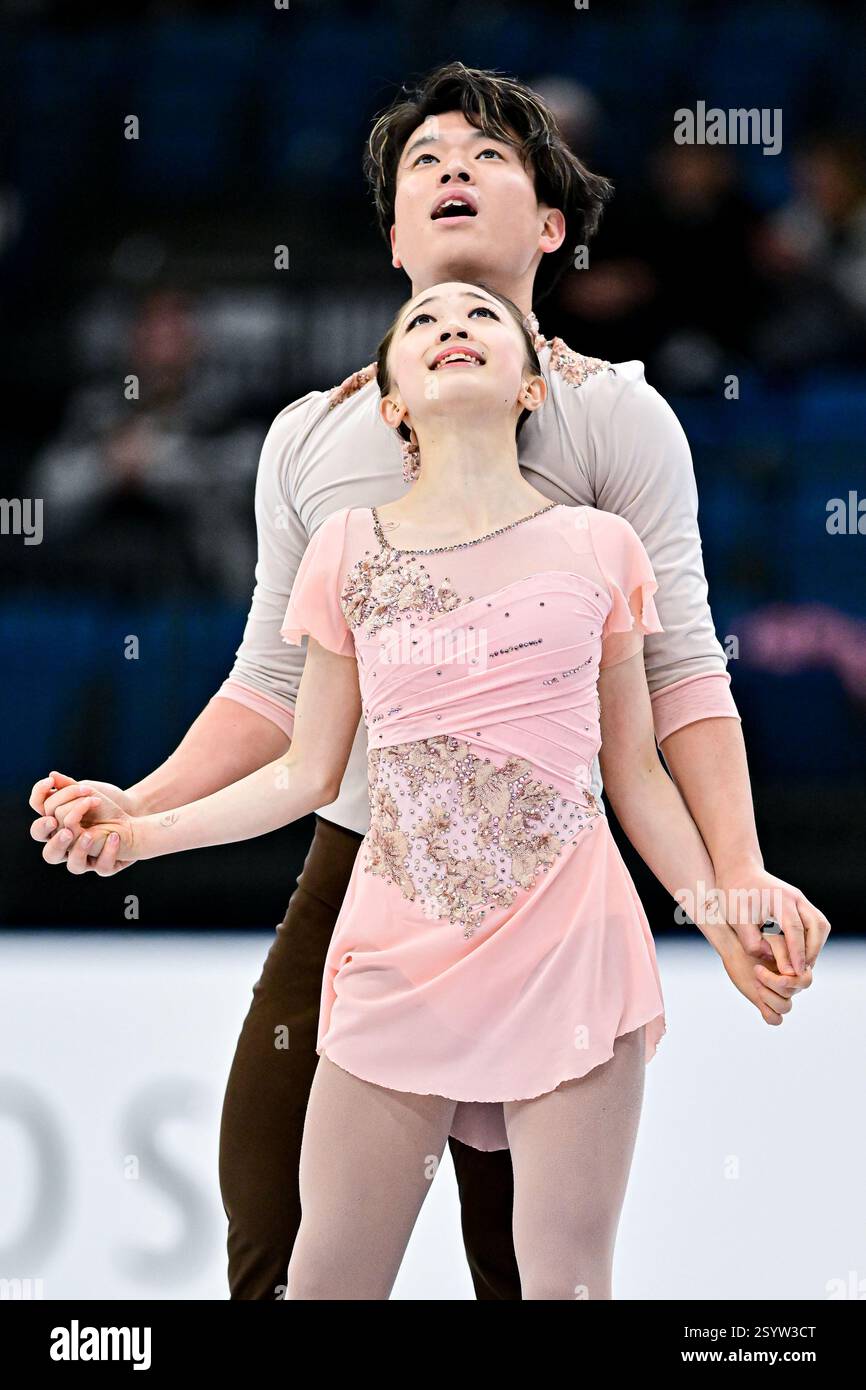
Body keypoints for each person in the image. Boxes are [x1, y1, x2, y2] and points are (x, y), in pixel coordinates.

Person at [29, 64, 827, 1301]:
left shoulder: (617, 419)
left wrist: (730, 884)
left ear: (551, 226)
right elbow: (269, 689)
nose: (453, 168)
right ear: (395, 236)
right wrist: (135, 803)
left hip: (554, 886)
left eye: (492, 156)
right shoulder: (306, 439)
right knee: (276, 1238)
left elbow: (678, 677)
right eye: (424, 163)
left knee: (533, 1270)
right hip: (366, 863)